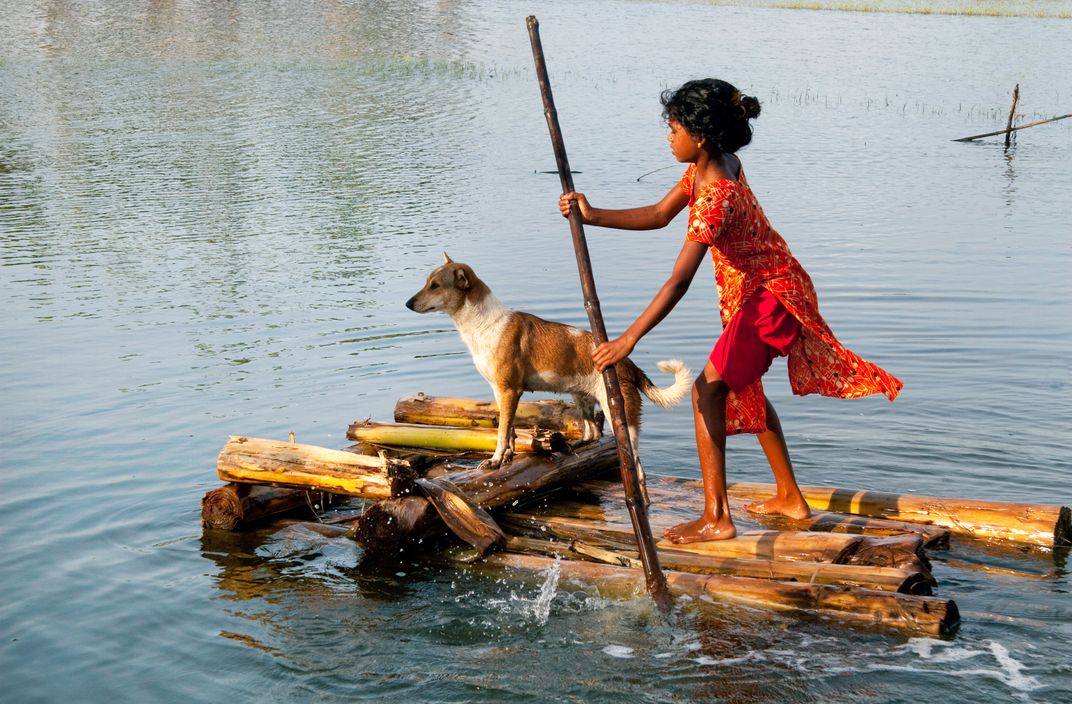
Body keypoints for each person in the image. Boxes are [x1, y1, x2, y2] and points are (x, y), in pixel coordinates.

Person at [558, 78, 902, 543]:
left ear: (698, 136)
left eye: (673, 127)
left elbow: (678, 282)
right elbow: (659, 215)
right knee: (741, 388)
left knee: (705, 394)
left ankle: (716, 517)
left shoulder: (717, 193)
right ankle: (791, 500)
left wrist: (628, 339)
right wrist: (592, 213)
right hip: (766, 290)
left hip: (771, 298)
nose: (668, 136)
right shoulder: (712, 165)